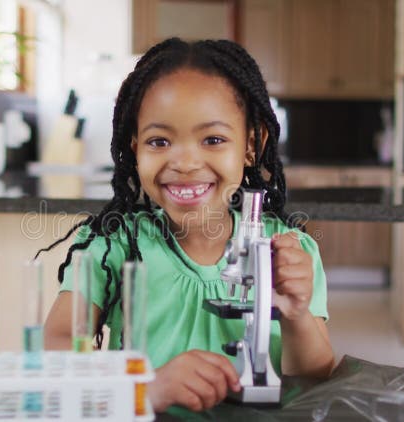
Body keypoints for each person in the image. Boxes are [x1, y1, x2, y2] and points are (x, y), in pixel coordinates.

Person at [40, 38, 333, 413]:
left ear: (250, 145)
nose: (185, 162)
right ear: (134, 148)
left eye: (213, 139)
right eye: (159, 141)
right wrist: (145, 389)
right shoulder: (112, 246)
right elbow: (56, 347)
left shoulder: (290, 250)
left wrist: (296, 315)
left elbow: (317, 379)